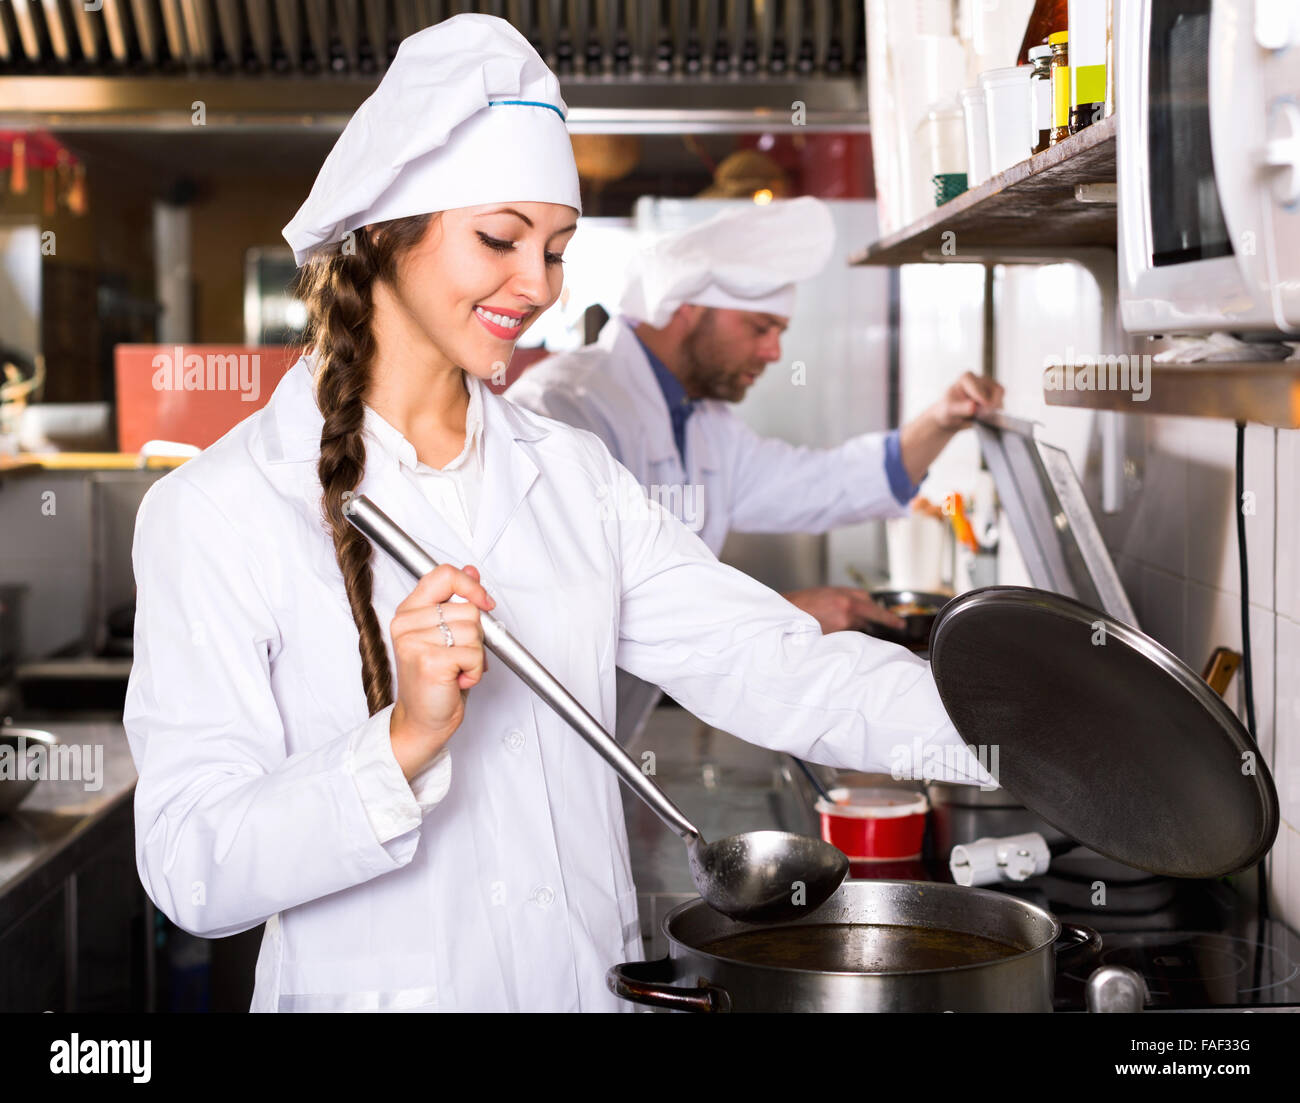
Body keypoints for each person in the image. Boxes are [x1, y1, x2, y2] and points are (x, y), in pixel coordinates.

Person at [123, 14, 990, 1014]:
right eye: (498, 238)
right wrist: (399, 739)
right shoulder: (219, 508)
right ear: (381, 233)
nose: (535, 284)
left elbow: (780, 666)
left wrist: (1041, 728)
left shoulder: (573, 477)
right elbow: (192, 866)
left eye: (557, 247)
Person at [507, 200, 1004, 741]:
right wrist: (783, 614)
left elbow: (824, 485)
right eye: (760, 327)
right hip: (535, 737)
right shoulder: (561, 407)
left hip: (608, 736)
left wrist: (941, 420)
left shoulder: (704, 422)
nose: (773, 352)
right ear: (688, 309)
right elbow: (575, 605)